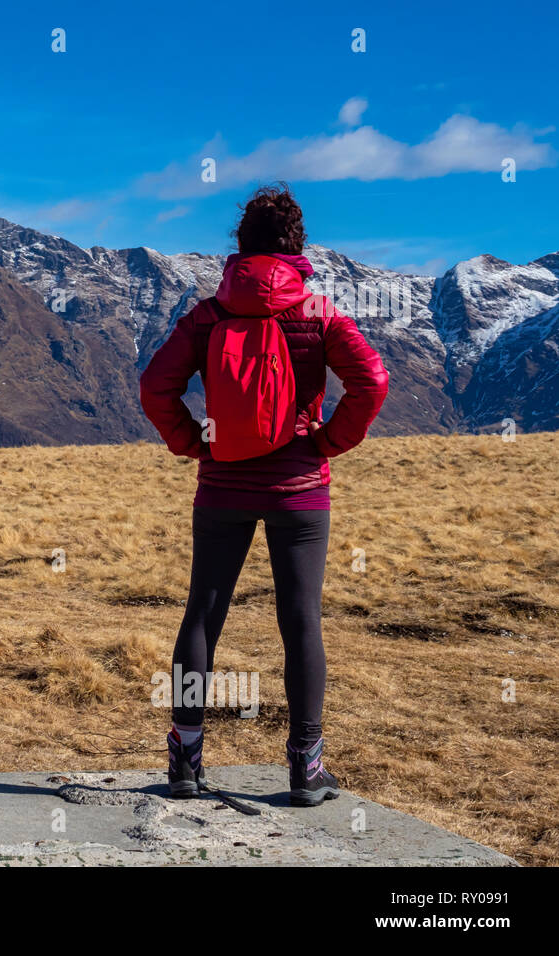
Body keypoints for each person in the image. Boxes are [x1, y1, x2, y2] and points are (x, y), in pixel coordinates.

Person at [139, 184, 389, 806]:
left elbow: (154, 387)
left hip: (221, 484)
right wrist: (328, 441)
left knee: (203, 614)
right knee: (300, 620)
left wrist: (195, 442)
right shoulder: (319, 314)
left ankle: (185, 762)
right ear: (298, 246)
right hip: (300, 488)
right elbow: (372, 381)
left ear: (240, 245)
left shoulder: (207, 316)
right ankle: (306, 770)